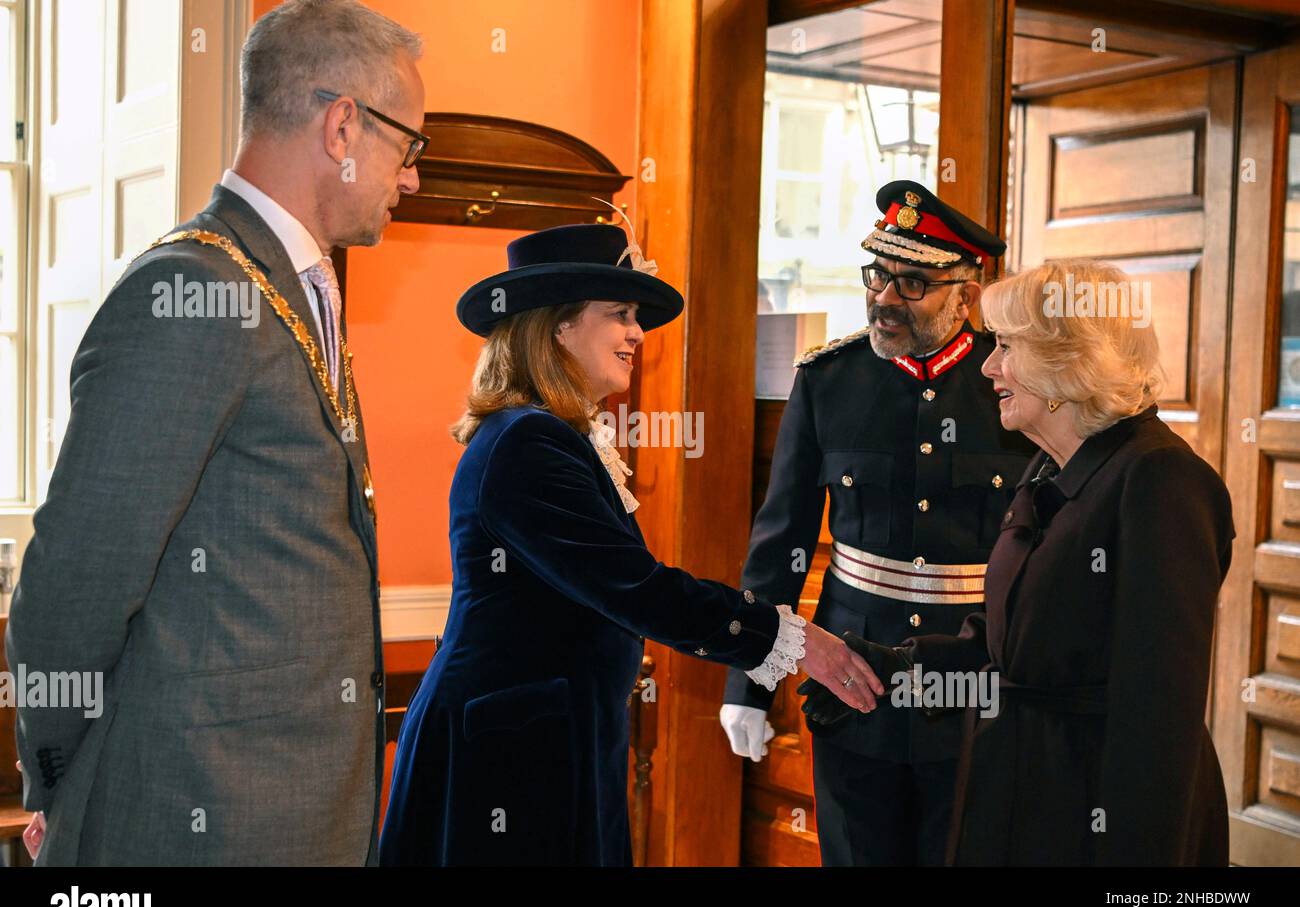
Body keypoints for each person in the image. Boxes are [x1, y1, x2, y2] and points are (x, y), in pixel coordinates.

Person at [6, 0, 425, 865]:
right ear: (343, 125)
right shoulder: (192, 294)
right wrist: (59, 783)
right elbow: (72, 587)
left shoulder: (291, 284)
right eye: (409, 144)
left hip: (282, 817)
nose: (412, 176)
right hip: (192, 823)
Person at [379, 221, 880, 865]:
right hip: (508, 751)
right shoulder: (526, 443)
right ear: (558, 325)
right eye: (619, 314)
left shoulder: (553, 436)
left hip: (549, 737)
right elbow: (638, 590)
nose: (637, 334)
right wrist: (792, 640)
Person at [801, 258, 1233, 865]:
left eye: (1006, 346)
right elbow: (1007, 648)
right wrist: (890, 669)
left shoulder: (1161, 480)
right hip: (1022, 792)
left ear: (1068, 357)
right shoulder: (1051, 464)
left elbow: (1160, 722)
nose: (989, 366)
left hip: (1096, 817)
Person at [720, 181, 1035, 865]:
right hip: (852, 683)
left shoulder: (1014, 385)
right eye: (879, 274)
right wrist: (749, 681)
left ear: (966, 294)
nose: (886, 298)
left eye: (913, 283)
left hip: (976, 692)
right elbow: (783, 545)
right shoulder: (828, 380)